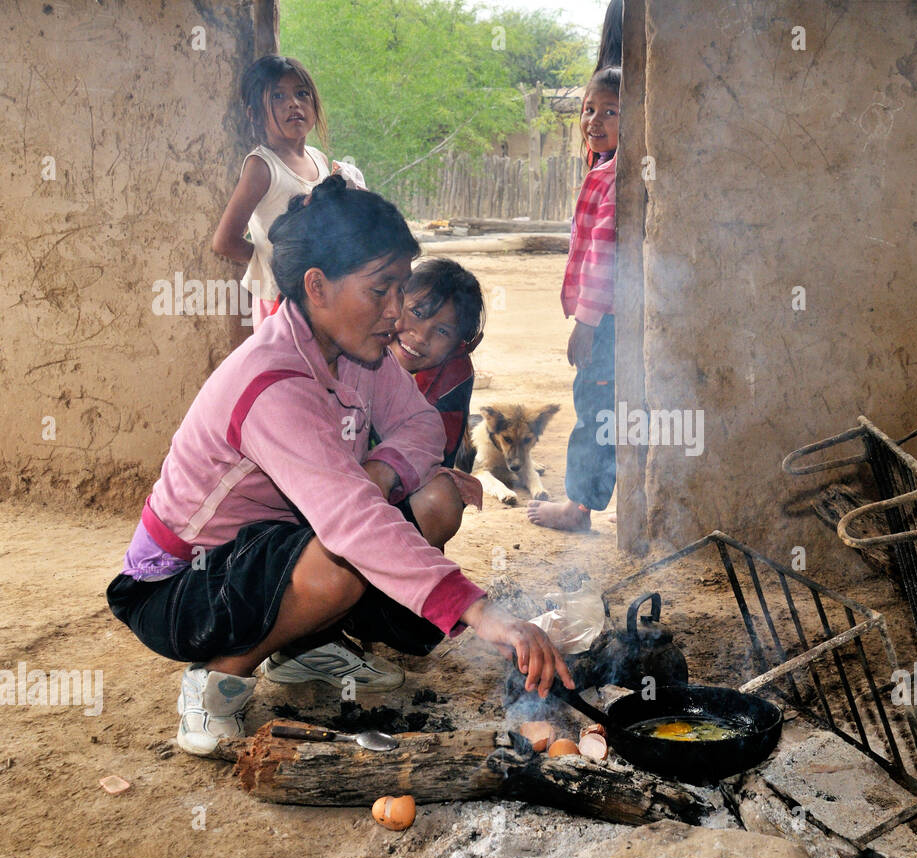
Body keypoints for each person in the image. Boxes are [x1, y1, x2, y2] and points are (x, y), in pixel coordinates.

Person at [108, 176, 573, 757]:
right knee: (342, 556)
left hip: (264, 552)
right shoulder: (274, 379)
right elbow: (352, 523)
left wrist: (377, 474)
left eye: (402, 289)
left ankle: (301, 650)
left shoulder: (357, 353)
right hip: (178, 587)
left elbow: (422, 427)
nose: (398, 313)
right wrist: (482, 613)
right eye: (382, 290)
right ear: (317, 287)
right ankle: (215, 681)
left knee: (434, 499)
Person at [527, 68, 620, 532]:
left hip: (607, 323)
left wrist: (586, 323)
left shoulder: (617, 177)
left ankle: (578, 507)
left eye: (610, 111)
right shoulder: (605, 169)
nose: (594, 120)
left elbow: (605, 257)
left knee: (595, 410)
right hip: (608, 320)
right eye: (589, 109)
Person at [212, 55, 359, 331]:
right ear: (254, 114)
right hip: (280, 300)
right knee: (287, 370)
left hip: (317, 296)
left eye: (302, 93)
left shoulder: (318, 159)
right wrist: (271, 260)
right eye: (278, 96)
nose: (294, 103)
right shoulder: (262, 167)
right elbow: (224, 241)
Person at [388, 258, 485, 468]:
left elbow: (420, 459)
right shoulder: (360, 340)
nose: (422, 337)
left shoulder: (450, 379)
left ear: (458, 345)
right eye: (417, 313)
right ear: (394, 299)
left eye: (442, 331)